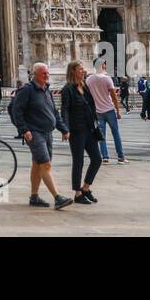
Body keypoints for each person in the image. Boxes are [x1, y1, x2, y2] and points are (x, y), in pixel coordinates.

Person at [8, 62, 71, 209]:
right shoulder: (26, 90)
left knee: (38, 163)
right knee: (45, 163)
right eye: (44, 73)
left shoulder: (46, 89)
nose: (47, 75)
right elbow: (17, 111)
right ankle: (57, 197)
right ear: (34, 74)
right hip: (34, 132)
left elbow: (54, 112)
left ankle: (34, 196)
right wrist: (24, 130)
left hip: (47, 132)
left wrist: (64, 129)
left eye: (47, 73)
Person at [59, 60, 102, 204]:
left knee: (97, 159)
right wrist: (65, 129)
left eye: (83, 69)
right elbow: (64, 109)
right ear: (73, 72)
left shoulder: (85, 86)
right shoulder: (68, 89)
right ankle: (77, 193)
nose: (83, 71)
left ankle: (86, 188)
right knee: (78, 161)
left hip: (89, 128)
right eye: (80, 69)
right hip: (77, 130)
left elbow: (91, 105)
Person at [86, 62, 128, 164]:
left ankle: (105, 157)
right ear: (102, 65)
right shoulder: (107, 78)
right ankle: (121, 157)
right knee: (116, 134)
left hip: (97, 111)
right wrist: (118, 110)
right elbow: (113, 96)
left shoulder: (88, 79)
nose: (106, 65)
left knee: (101, 135)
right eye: (104, 64)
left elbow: (87, 96)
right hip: (109, 110)